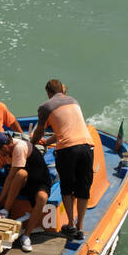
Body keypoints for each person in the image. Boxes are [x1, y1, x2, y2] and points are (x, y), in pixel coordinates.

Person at [31, 79, 94, 241]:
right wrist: (48, 142)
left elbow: (39, 132)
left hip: (67, 150)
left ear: (48, 92)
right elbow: (65, 130)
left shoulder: (45, 107)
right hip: (86, 146)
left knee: (67, 188)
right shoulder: (74, 101)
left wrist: (32, 143)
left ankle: (71, 225)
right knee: (83, 188)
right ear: (62, 90)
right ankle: (80, 227)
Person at [0, 132, 50, 252]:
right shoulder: (2, 154)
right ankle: (6, 211)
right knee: (21, 174)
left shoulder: (20, 147)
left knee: (42, 198)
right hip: (23, 182)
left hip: (39, 180)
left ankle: (26, 236)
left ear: (6, 146)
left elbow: (11, 177)